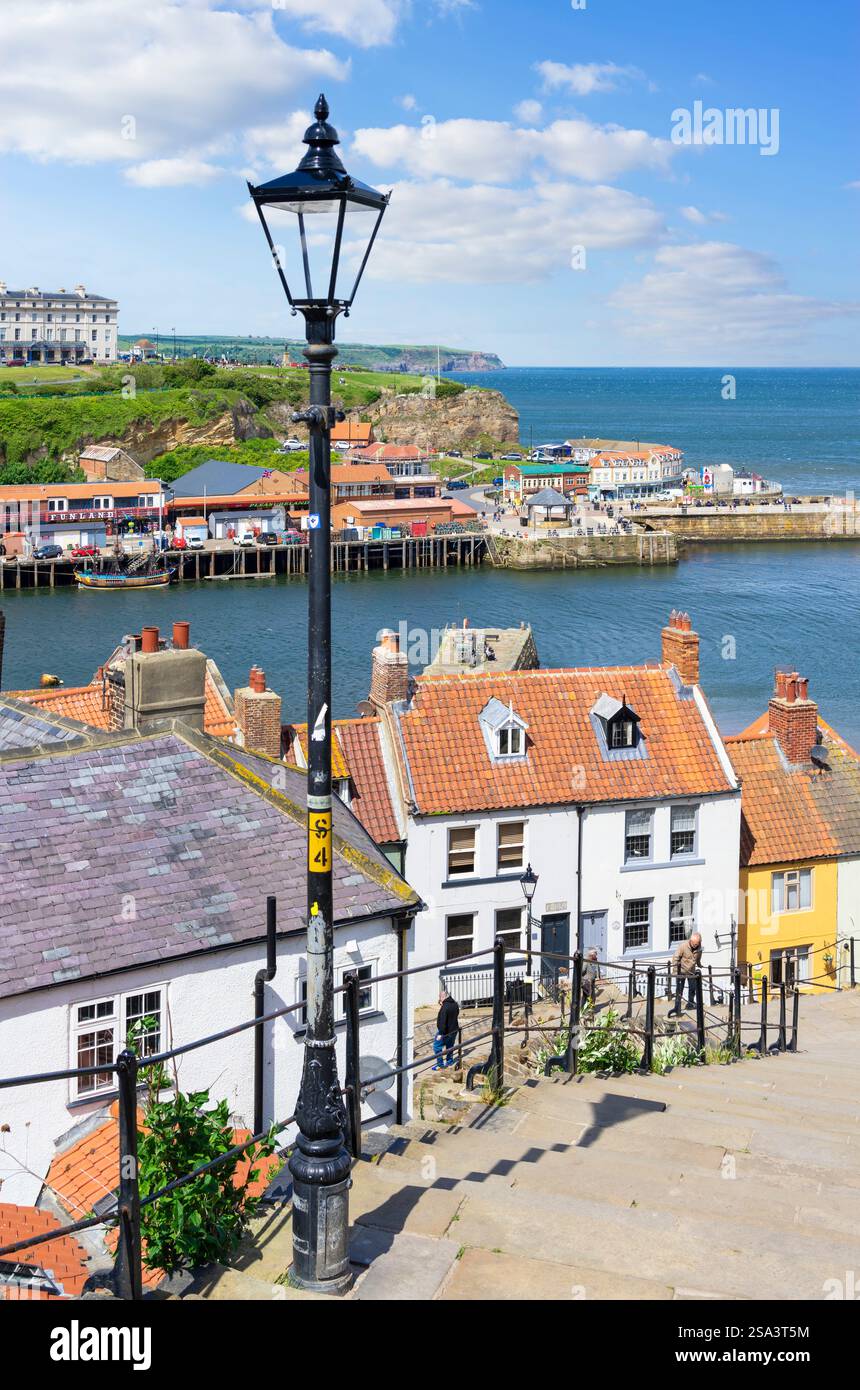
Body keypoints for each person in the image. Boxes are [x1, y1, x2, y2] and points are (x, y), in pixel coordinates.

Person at [670, 932, 703, 1014]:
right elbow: (675, 958)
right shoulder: (683, 946)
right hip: (681, 971)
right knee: (680, 989)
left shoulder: (699, 948)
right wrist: (675, 970)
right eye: (694, 944)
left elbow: (698, 958)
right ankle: (677, 1007)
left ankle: (690, 1003)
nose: (696, 945)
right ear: (690, 941)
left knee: (692, 988)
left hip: (691, 971)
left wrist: (699, 964)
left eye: (697, 943)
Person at [432, 989, 460, 1070]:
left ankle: (440, 1064)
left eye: (439, 997)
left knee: (436, 1047)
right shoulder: (455, 1004)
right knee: (450, 1046)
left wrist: (440, 1034)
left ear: (442, 997)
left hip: (445, 1032)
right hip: (454, 1029)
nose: (439, 999)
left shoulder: (445, 1007)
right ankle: (449, 1061)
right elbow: (456, 1014)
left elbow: (443, 1021)